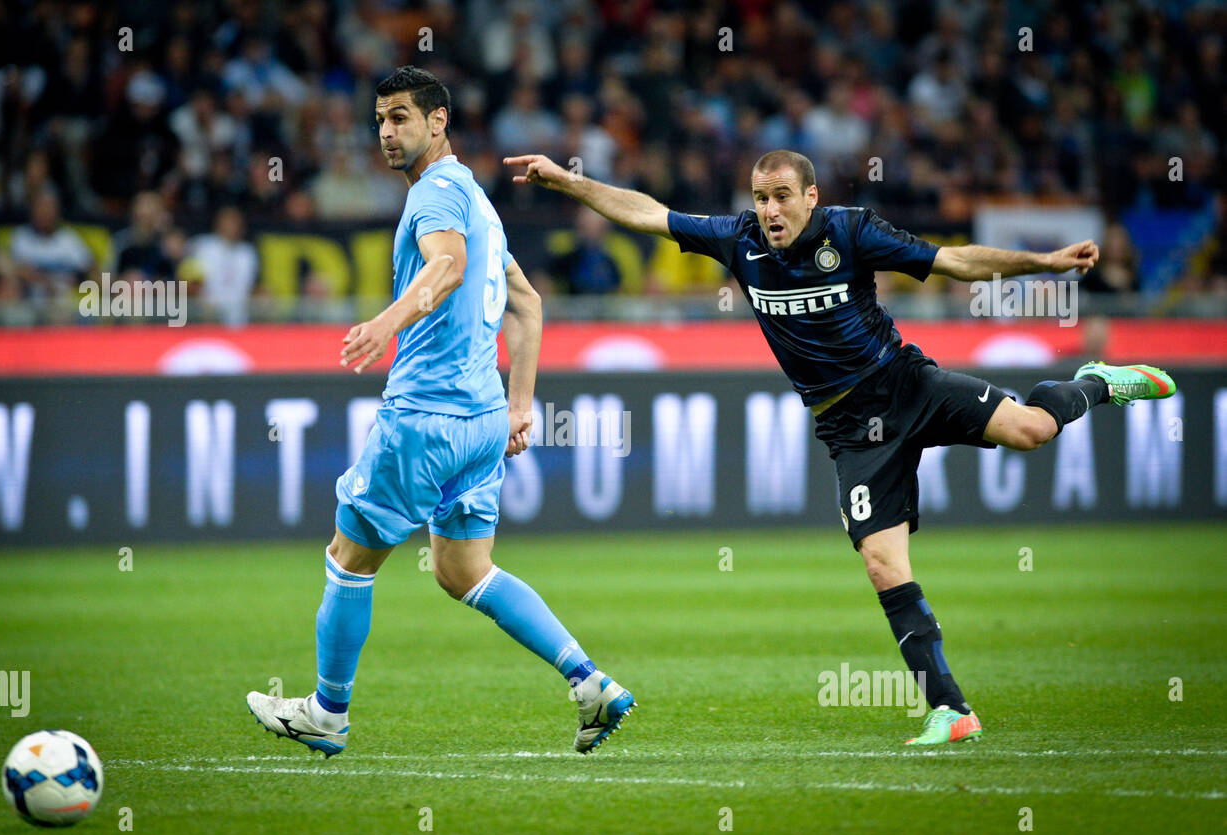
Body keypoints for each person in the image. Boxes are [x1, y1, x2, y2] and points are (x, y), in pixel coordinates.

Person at [504, 147, 1176, 746]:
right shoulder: (737, 240)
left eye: (781, 197)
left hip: (907, 384)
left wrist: (1046, 263)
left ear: (811, 197)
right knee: (884, 565)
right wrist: (567, 181)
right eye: (760, 198)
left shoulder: (852, 231)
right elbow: (648, 214)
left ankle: (1094, 383)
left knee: (1032, 429)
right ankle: (950, 710)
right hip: (850, 429)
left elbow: (956, 264)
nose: (768, 210)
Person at [247, 67, 635, 757]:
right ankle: (588, 681)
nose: (386, 132)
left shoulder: (435, 194)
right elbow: (527, 304)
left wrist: (385, 321)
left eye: (400, 117)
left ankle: (328, 713)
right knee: (463, 571)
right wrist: (519, 407)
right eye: (379, 120)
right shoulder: (478, 201)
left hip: (424, 417)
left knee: (348, 559)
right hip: (481, 421)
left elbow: (448, 267)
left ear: (438, 122)